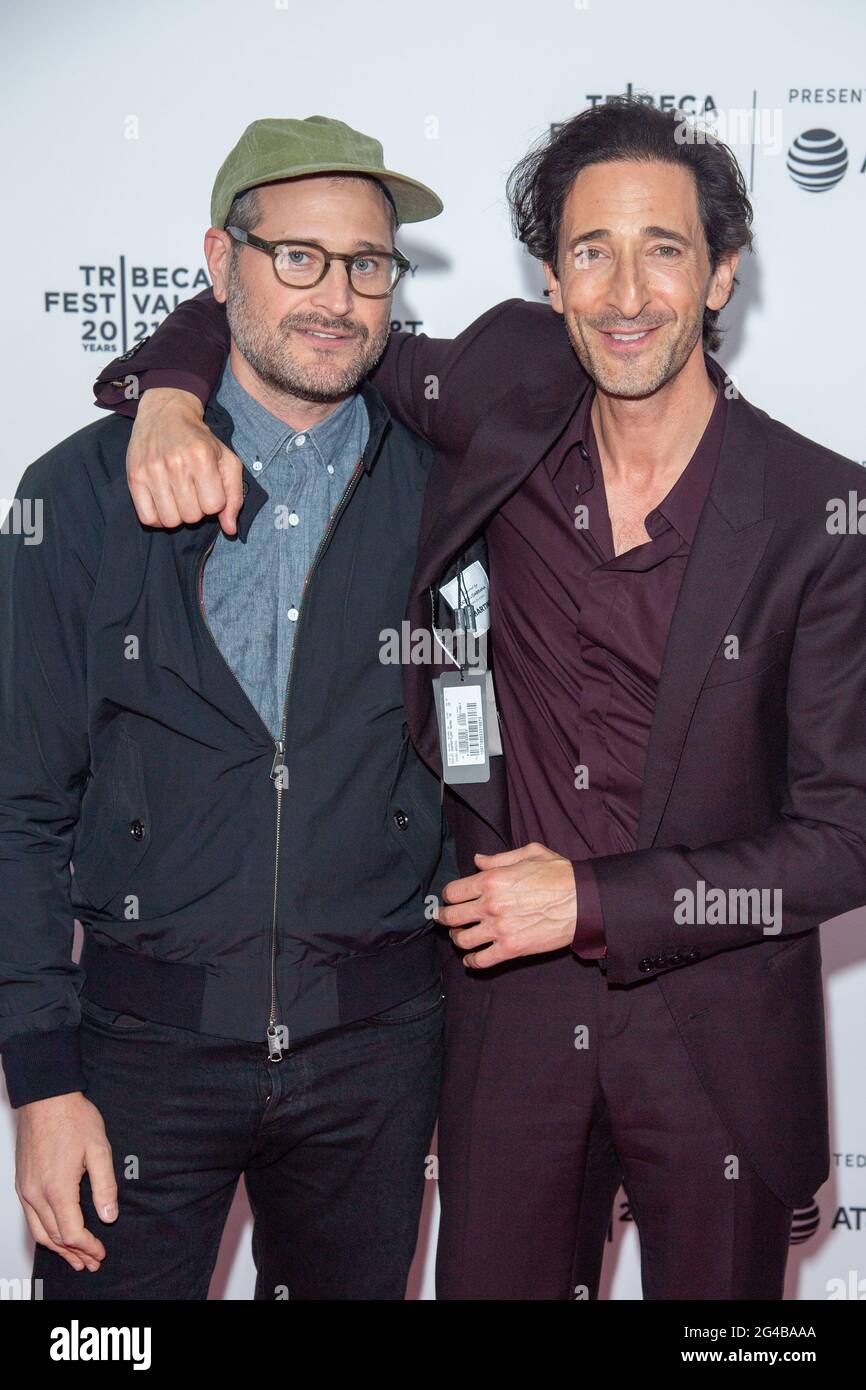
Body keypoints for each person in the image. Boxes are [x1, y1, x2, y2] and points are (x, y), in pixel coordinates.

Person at [92, 97, 866, 1300]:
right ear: (548, 281)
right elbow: (299, 321)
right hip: (508, 1036)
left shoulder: (821, 512)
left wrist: (592, 899)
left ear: (720, 275)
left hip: (716, 1046)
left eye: (661, 248)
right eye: (587, 251)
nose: (623, 292)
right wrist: (170, 394)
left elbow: (843, 836)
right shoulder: (500, 396)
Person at [0, 116, 456, 1300]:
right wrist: (41, 1083)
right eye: (296, 256)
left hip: (377, 1052)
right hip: (136, 1054)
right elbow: (18, 803)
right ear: (219, 264)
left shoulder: (455, 484)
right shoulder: (79, 493)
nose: (338, 295)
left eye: (368, 263)